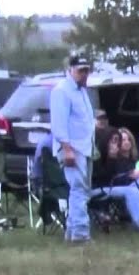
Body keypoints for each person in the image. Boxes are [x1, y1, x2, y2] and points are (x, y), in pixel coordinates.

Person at [48, 53, 97, 244]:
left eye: (87, 70)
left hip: (84, 148)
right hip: (72, 148)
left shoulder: (82, 91)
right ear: (71, 70)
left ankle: (71, 231)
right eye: (81, 71)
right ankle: (81, 234)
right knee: (78, 190)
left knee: (82, 191)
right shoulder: (62, 91)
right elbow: (59, 125)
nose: (85, 74)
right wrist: (67, 149)